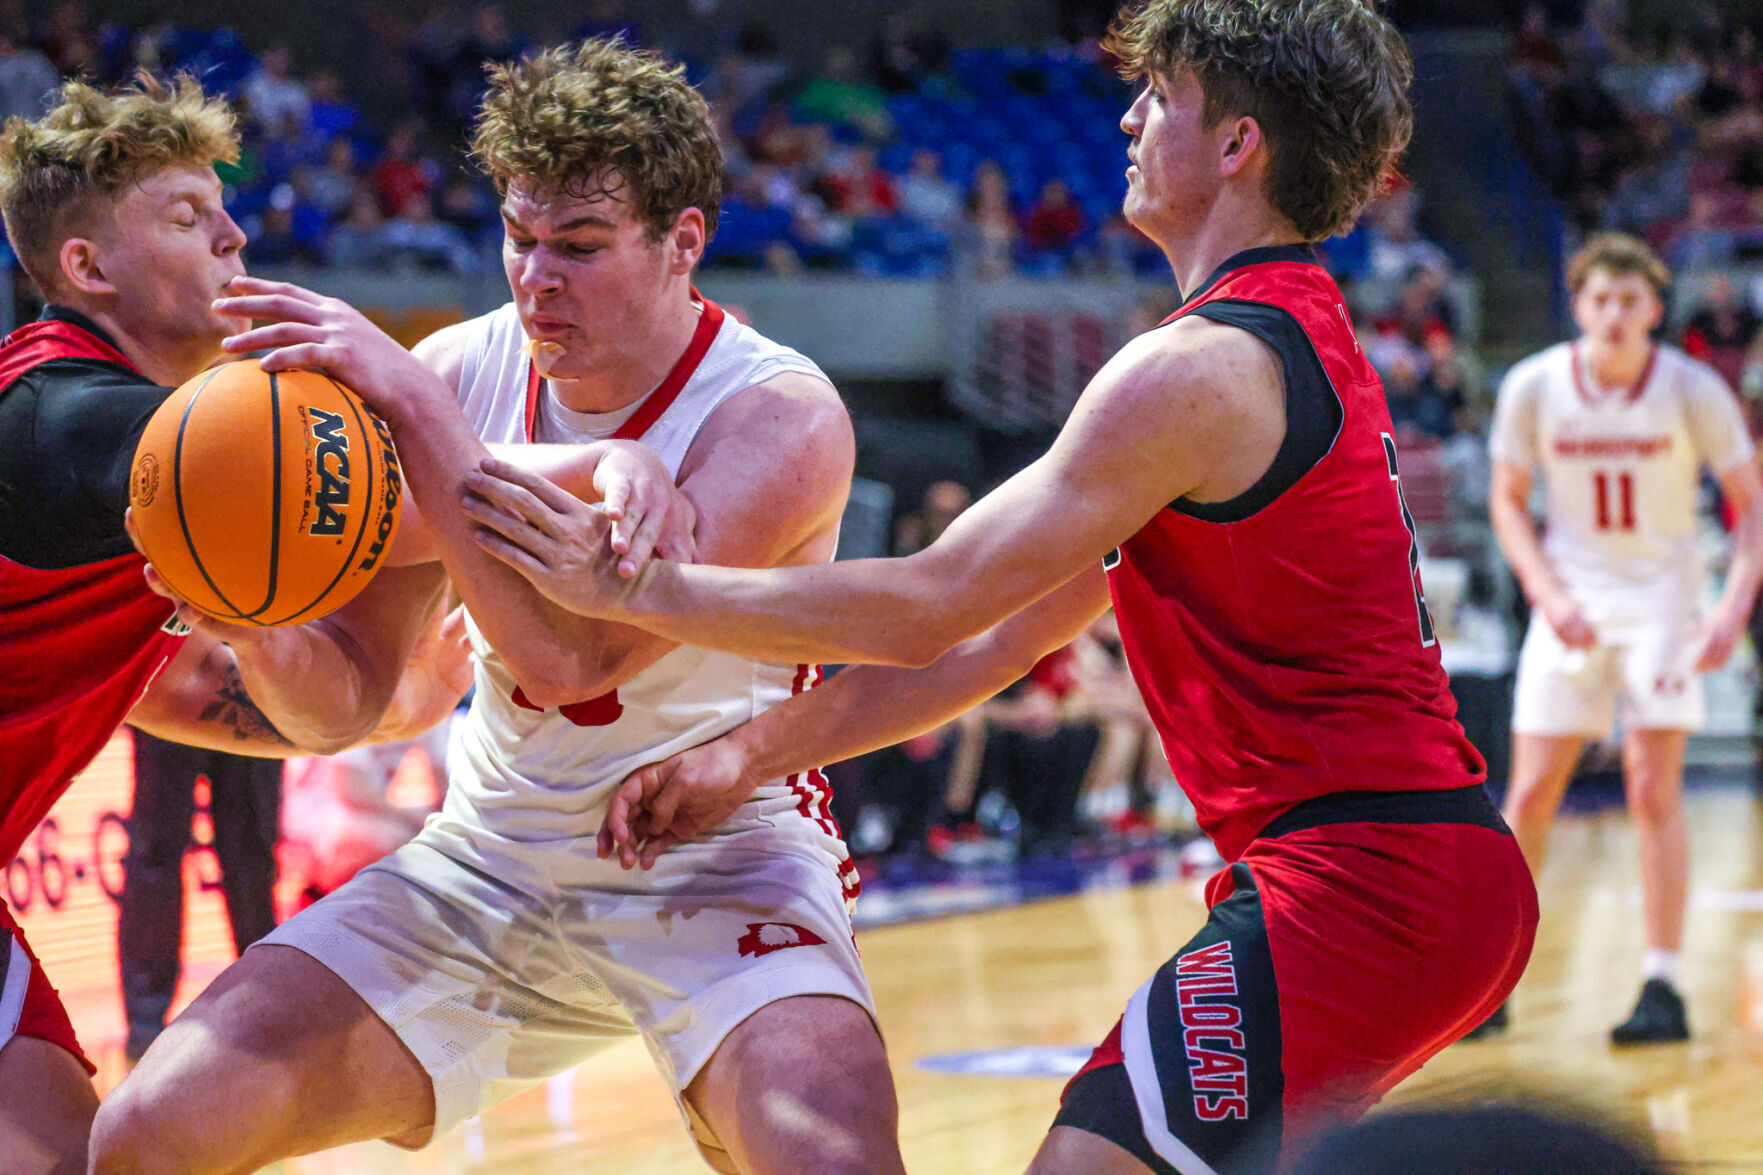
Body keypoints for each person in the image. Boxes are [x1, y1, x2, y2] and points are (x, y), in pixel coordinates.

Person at [449, 3, 1540, 1172]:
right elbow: (988, 644)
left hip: (1363, 879)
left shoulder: (1198, 368)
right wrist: (740, 755)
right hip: (1402, 873)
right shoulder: (1287, 333)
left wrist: (635, 590)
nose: (1125, 117)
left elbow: (927, 599)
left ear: (1235, 144)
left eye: (1158, 97)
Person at [93, 39, 904, 1175]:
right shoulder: (464, 364)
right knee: (144, 1133)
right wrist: (258, 625)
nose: (535, 278)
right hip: (490, 862)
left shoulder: (777, 413)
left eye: (578, 246)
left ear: (684, 243)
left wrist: (414, 409)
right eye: (519, 239)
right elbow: (357, 706)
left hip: (722, 861)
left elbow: (576, 658)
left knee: (838, 1161)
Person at [0, 73, 621, 1174]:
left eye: (223, 205)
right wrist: (599, 464)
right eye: (186, 215)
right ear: (88, 269)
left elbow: (195, 694)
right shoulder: (67, 417)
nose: (235, 232)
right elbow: (379, 505)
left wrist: (385, 703)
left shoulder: (140, 504)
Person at [1486, 232, 1763, 1043]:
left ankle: (1662, 984)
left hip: (1660, 599)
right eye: (1598, 299)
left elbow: (1749, 505)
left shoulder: (1690, 388)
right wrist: (1542, 589)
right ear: (1578, 305)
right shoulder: (1533, 385)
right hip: (1570, 596)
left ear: (1653, 310)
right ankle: (1487, 979)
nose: (1612, 314)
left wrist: (1729, 607)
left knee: (1651, 789)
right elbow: (1506, 500)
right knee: (1529, 795)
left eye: (1628, 301)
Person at [119, 734, 284, 1063]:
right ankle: (145, 1022)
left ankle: (270, 1003)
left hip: (253, 700)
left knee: (250, 858)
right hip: (174, 698)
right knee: (156, 856)